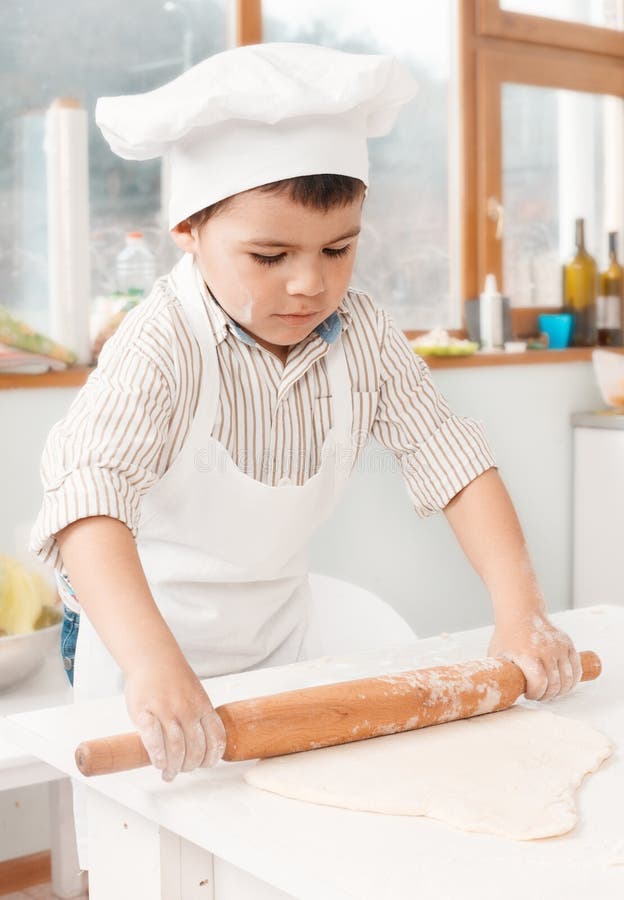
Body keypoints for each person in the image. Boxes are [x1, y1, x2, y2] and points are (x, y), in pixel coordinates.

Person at [31, 42, 581, 846]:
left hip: (282, 619)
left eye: (338, 249)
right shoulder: (160, 344)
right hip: (137, 629)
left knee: (307, 833)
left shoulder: (363, 335)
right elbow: (87, 510)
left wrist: (521, 610)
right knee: (158, 838)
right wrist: (154, 665)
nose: (309, 284)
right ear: (189, 229)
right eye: (269, 255)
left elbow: (455, 464)